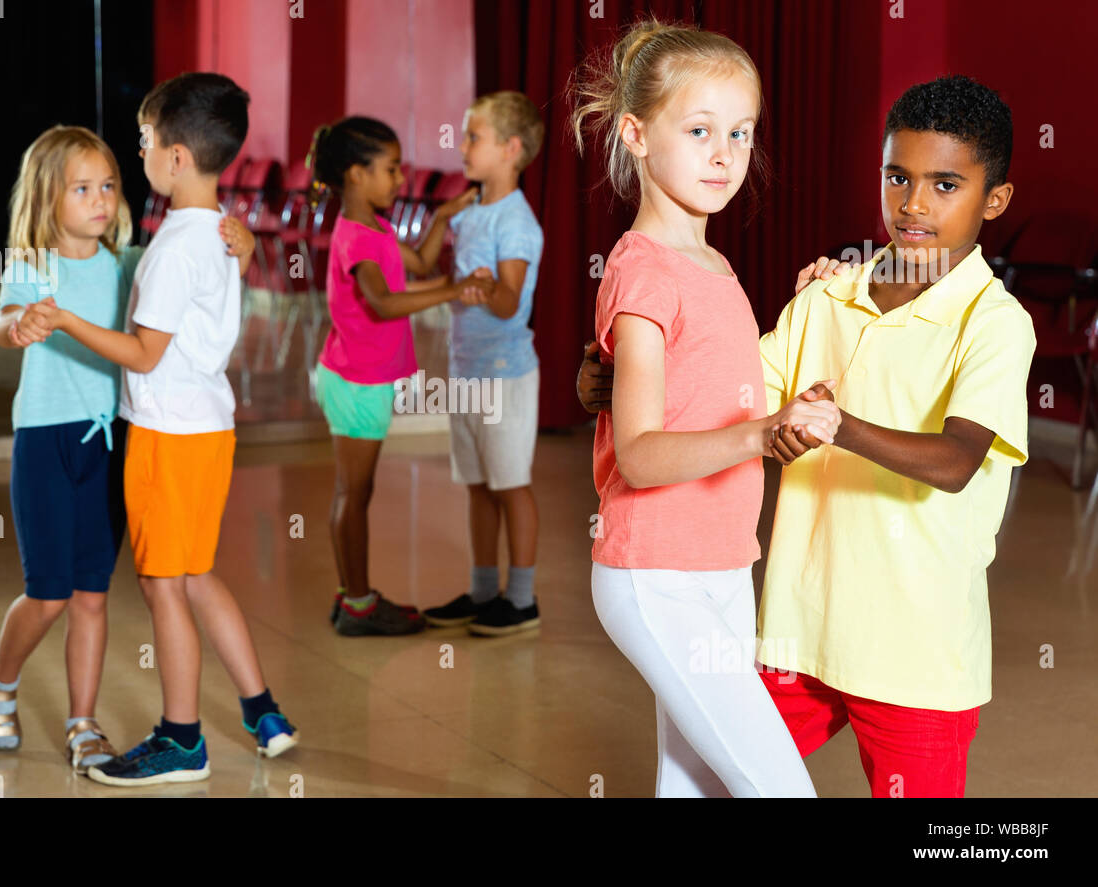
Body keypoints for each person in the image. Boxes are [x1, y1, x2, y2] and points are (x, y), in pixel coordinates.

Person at [578, 75, 1036, 798]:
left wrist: (834, 424)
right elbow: (726, 400)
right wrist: (614, 375)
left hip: (917, 652)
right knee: (711, 783)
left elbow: (955, 462)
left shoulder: (995, 322)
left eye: (946, 184)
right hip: (800, 633)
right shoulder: (829, 294)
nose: (914, 203)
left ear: (995, 199)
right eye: (898, 177)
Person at [570, 18, 839, 797]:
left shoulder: (715, 263)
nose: (726, 154)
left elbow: (723, 387)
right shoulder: (645, 273)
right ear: (636, 134)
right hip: (656, 572)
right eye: (699, 130)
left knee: (696, 785)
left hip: (724, 562)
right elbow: (644, 451)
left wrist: (805, 335)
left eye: (742, 133)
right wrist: (759, 433)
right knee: (780, 788)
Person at [25, 73, 298, 784]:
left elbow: (144, 351)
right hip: (209, 429)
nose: (136, 154)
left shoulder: (176, 245)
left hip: (166, 437)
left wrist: (67, 320)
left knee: (163, 585)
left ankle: (182, 738)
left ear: (176, 157)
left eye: (143, 142)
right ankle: (262, 707)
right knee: (199, 573)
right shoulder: (219, 232)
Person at [0, 123, 254, 776]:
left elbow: (199, 282)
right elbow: (1, 319)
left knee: (93, 596)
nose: (100, 199)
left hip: (111, 444)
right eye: (82, 188)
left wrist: (245, 244)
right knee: (47, 593)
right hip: (45, 442)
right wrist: (15, 327)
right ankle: (0, 677)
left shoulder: (131, 263)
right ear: (48, 198)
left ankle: (83, 721)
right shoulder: (31, 265)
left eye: (108, 185)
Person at [307, 116, 492, 636]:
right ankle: (360, 607)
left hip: (359, 378)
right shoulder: (359, 239)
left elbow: (423, 262)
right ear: (355, 174)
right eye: (389, 170)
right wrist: (456, 291)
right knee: (353, 493)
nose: (399, 181)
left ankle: (352, 595)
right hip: (357, 382)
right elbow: (384, 303)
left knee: (353, 492)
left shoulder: (374, 228)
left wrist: (445, 217)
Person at [422, 91, 546, 636]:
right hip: (467, 370)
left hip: (505, 376)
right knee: (477, 483)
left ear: (511, 149)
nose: (463, 146)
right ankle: (481, 591)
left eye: (474, 137)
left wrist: (489, 285)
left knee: (509, 484)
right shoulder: (470, 212)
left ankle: (521, 601)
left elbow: (508, 303)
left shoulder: (515, 222)